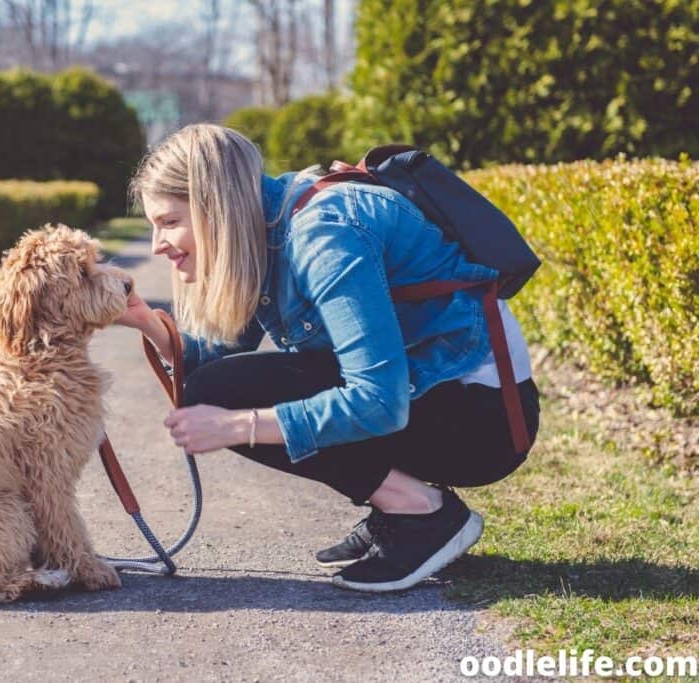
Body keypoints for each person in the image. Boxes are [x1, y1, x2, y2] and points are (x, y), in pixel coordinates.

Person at [115, 123, 540, 593]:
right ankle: (402, 508)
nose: (157, 245)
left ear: (216, 206)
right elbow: (214, 364)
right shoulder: (267, 226)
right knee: (215, 388)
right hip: (435, 395)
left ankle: (422, 513)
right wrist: (143, 321)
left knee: (221, 398)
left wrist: (238, 427)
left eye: (169, 222)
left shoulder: (324, 234)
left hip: (484, 421)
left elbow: (379, 401)